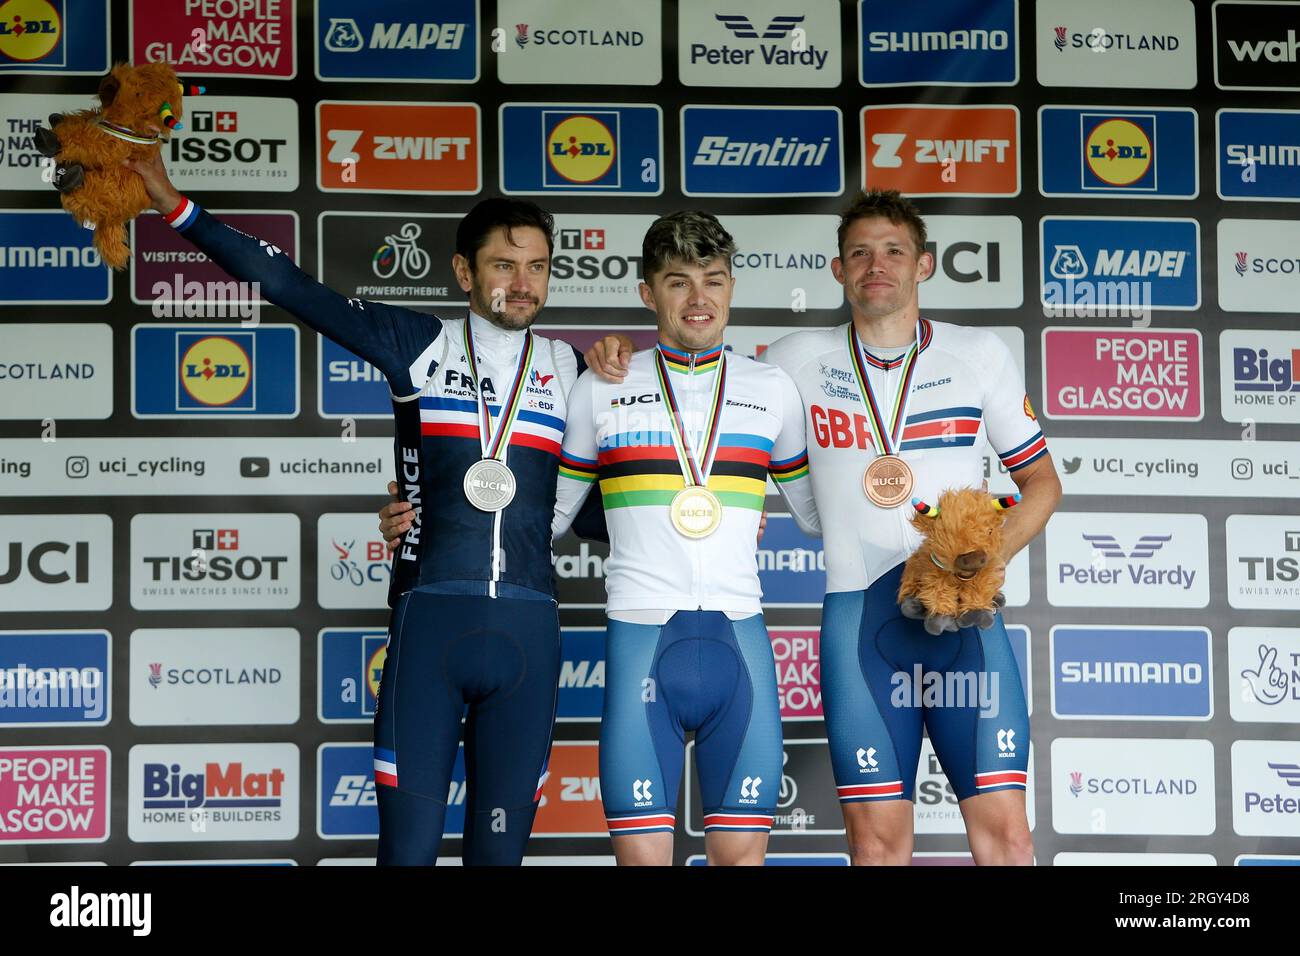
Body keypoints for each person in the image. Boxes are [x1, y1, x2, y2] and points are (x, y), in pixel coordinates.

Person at [126, 148, 618, 866]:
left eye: (538, 266)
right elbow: (289, 285)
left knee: (500, 859)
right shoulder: (417, 344)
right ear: (463, 272)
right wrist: (175, 204)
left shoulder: (575, 368)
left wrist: (697, 515)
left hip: (530, 628)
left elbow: (594, 507)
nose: (523, 283)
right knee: (407, 856)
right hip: (429, 625)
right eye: (504, 265)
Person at [585, 190, 1061, 865]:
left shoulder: (978, 354)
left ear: (924, 264)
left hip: (965, 625)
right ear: (837, 270)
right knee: (874, 845)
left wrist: (979, 559)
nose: (878, 265)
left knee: (1009, 838)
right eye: (860, 252)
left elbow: (1042, 484)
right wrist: (606, 354)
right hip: (861, 623)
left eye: (894, 250)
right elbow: (692, 379)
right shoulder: (789, 362)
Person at [551, 211, 819, 865]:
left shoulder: (772, 389)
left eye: (714, 281)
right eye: (678, 282)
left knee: (740, 861)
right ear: (648, 293)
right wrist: (427, 512)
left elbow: (819, 515)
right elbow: (547, 517)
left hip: (740, 644)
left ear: (731, 288)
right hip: (643, 640)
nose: (699, 299)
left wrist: (930, 510)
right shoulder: (600, 386)